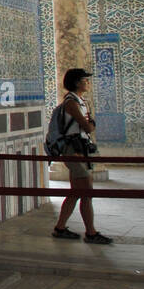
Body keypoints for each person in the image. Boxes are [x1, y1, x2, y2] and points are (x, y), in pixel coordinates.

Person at [51, 68, 112, 243]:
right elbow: (88, 127)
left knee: (77, 192)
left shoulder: (80, 101)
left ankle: (60, 228)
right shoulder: (71, 102)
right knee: (85, 190)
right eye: (85, 80)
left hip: (80, 149)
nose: (88, 83)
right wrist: (91, 124)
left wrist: (90, 123)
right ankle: (91, 233)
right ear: (77, 82)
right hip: (73, 150)